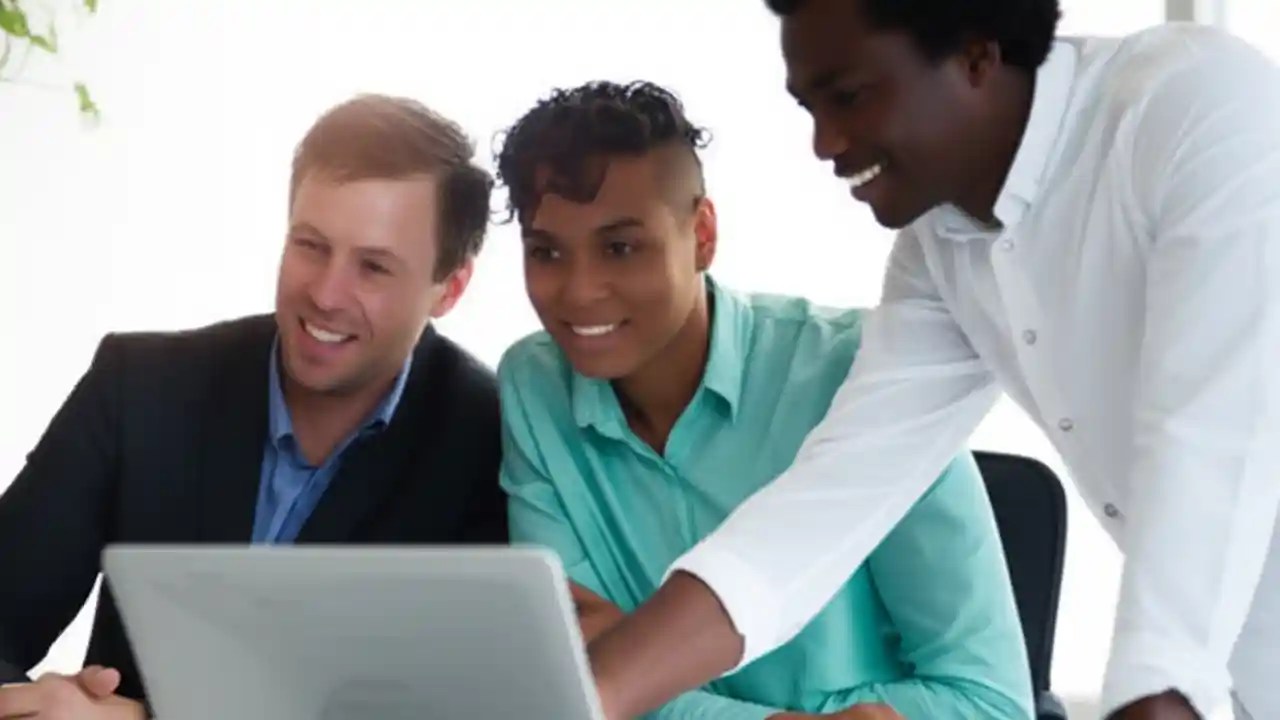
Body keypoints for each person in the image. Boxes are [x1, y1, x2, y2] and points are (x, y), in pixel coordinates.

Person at [584, 2, 1280, 720]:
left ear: (976, 58)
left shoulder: (1194, 106)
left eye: (849, 96)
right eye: (809, 106)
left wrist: (1157, 697)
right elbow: (828, 501)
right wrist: (588, 695)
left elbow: (1210, 436)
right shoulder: (938, 249)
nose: (825, 143)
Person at [494, 80, 1034, 720]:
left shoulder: (868, 376)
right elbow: (571, 672)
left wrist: (639, 680)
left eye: (620, 247)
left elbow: (990, 704)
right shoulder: (535, 386)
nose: (580, 292)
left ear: (701, 235)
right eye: (546, 252)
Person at [0, 94, 507, 720]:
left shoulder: (489, 450)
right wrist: (35, 707)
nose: (324, 293)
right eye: (311, 245)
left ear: (449, 288)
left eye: (372, 267)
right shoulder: (141, 388)